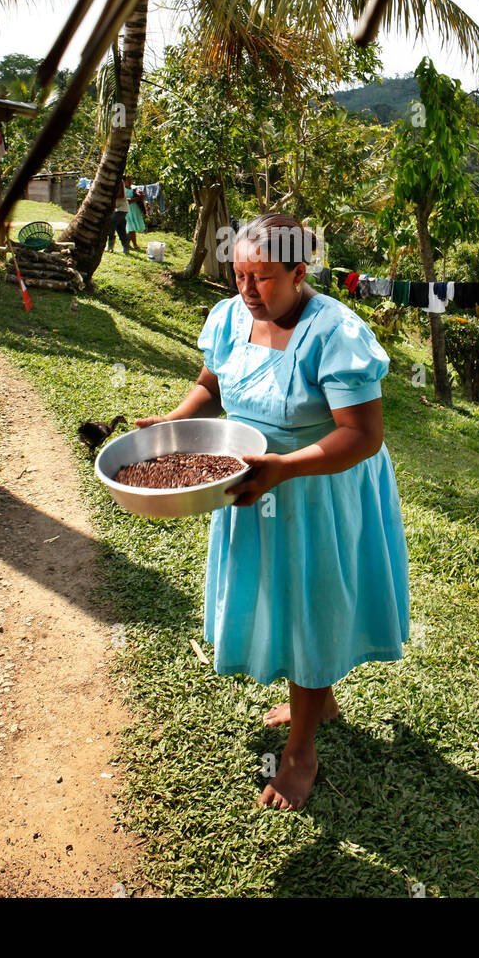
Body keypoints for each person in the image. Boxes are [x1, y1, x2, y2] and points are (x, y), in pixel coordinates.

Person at [135, 214, 410, 811]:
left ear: (298, 272)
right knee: (280, 598)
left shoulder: (335, 333)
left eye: (261, 278)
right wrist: (173, 423)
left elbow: (362, 436)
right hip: (251, 482)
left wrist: (284, 468)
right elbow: (213, 386)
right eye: (239, 275)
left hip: (316, 489)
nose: (247, 290)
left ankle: (300, 754)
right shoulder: (229, 318)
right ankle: (319, 699)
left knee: (310, 606)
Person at [107, 177, 130, 254]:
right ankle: (126, 248)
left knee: (111, 224)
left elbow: (121, 195)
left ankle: (110, 247)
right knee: (120, 229)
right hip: (117, 209)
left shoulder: (120, 181)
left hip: (122, 208)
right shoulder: (110, 181)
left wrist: (109, 195)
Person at [124, 176, 146, 251]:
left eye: (131, 179)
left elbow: (140, 194)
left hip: (136, 209)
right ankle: (134, 244)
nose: (130, 181)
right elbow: (127, 201)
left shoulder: (134, 187)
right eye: (128, 180)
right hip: (127, 210)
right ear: (124, 181)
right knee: (130, 227)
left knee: (133, 227)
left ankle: (127, 244)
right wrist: (137, 198)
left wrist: (141, 195)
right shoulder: (122, 189)